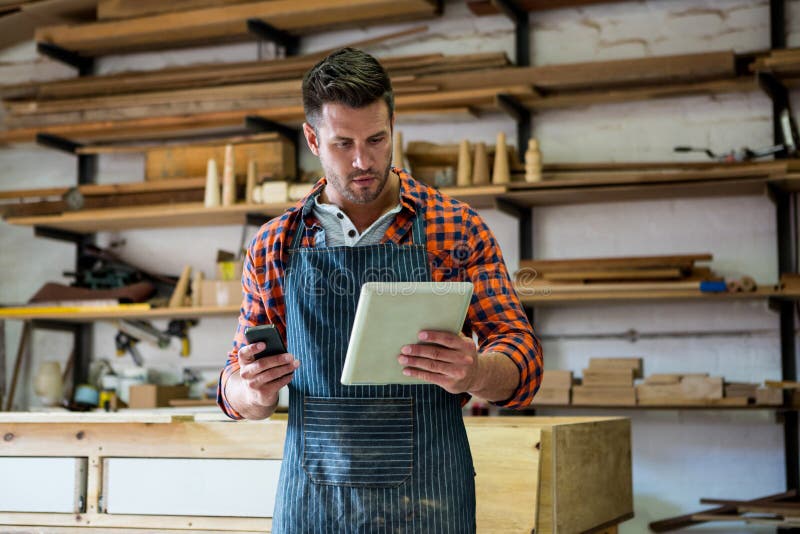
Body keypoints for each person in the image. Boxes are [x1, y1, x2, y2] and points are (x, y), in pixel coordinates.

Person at [217, 47, 542, 533]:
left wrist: (476, 372)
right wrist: (253, 391)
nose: (363, 160)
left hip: (430, 503)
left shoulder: (455, 229)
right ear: (312, 139)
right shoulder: (274, 245)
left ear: (393, 126)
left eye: (376, 139)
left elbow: (523, 360)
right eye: (342, 143)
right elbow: (232, 384)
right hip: (315, 505)